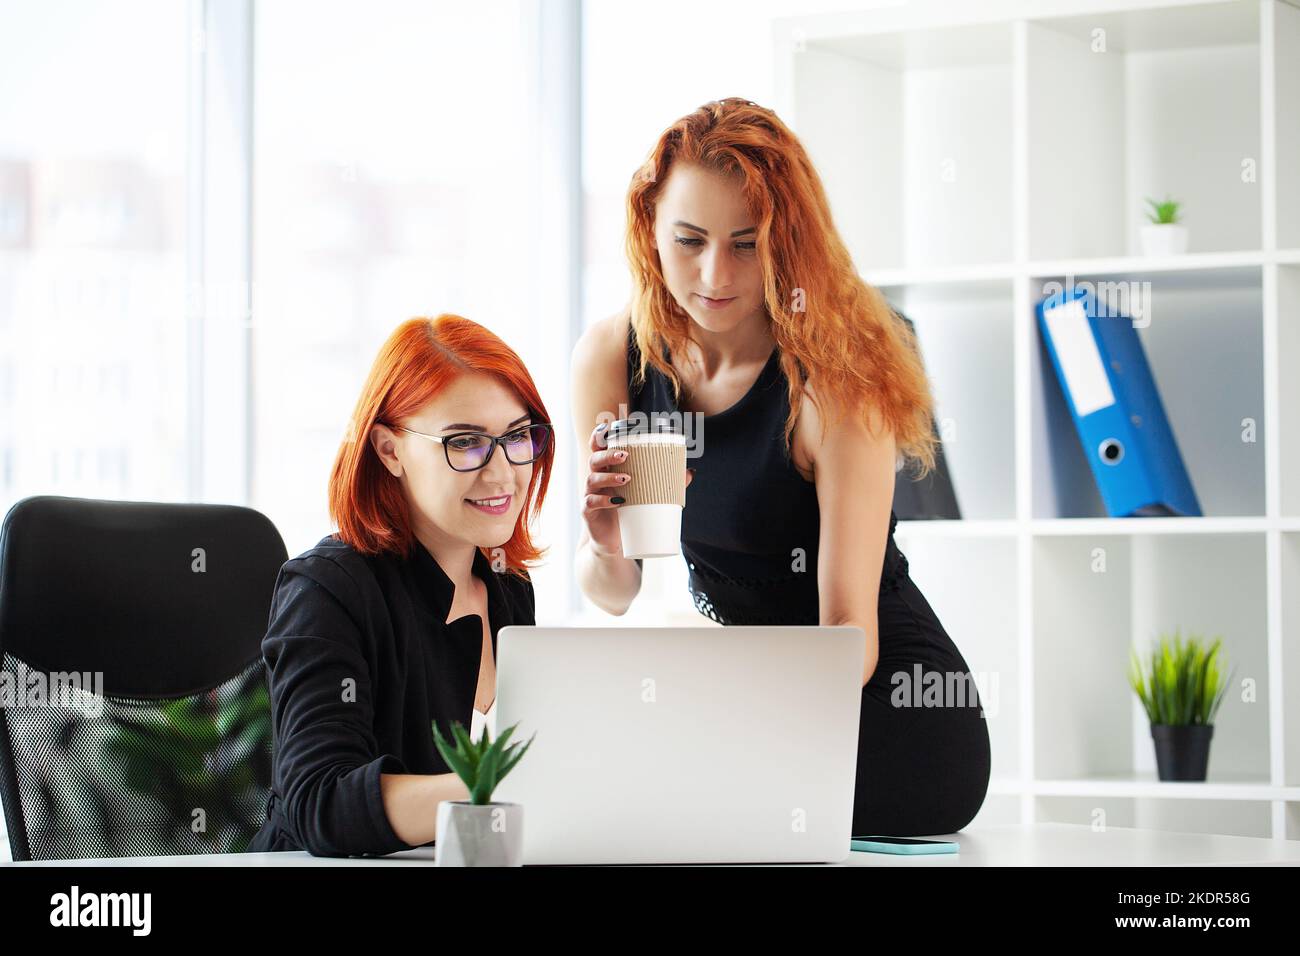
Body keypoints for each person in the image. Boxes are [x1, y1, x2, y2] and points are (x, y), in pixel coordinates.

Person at [571, 98, 990, 836]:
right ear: (649, 229)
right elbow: (614, 594)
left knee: (654, 793)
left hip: (881, 714)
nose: (713, 274)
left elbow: (849, 633)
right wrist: (606, 541)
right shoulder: (614, 358)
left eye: (746, 243)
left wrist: (738, 724)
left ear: (786, 242)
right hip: (754, 700)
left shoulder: (832, 379)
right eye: (690, 240)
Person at [248, 314, 554, 857]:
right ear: (390, 451)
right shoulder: (326, 589)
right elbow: (321, 799)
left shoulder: (508, 587)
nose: (503, 471)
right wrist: (495, 791)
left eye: (517, 436)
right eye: (465, 443)